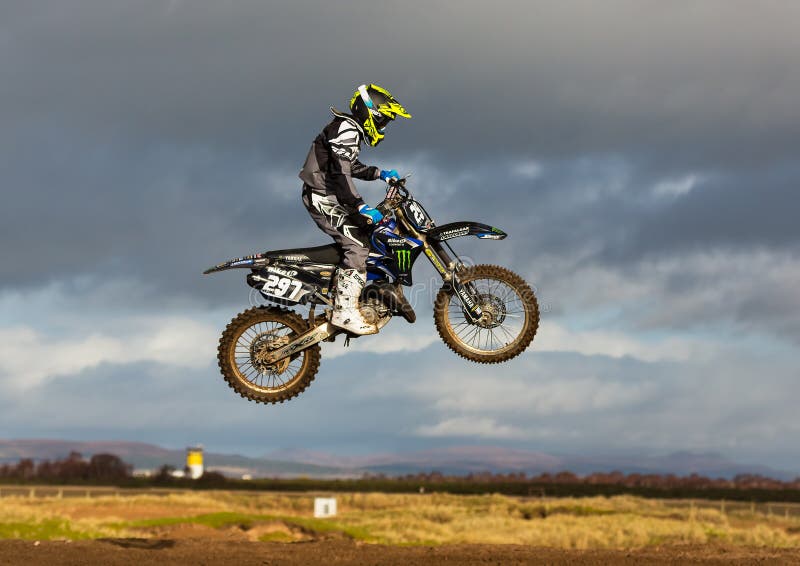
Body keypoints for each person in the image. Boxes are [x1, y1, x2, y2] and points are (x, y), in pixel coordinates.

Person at [299, 84, 411, 335]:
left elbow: (350, 167)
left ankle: (359, 292)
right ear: (370, 113)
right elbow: (341, 174)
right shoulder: (346, 129)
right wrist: (360, 205)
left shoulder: (349, 129)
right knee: (358, 245)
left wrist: (380, 174)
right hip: (320, 196)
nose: (384, 127)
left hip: (328, 195)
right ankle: (344, 312)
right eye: (384, 120)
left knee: (369, 233)